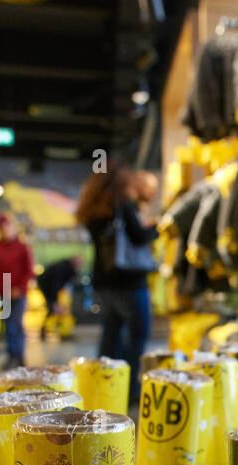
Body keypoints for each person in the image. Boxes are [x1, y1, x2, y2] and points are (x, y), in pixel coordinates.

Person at [74, 160, 158, 403]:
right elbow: (140, 236)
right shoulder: (123, 206)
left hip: (103, 281)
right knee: (138, 334)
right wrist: (157, 227)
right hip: (129, 281)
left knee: (110, 336)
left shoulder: (93, 210)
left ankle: (102, 387)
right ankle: (130, 390)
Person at [0, 213, 33, 369]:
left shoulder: (22, 247)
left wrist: (20, 288)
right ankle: (11, 355)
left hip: (19, 293)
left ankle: (19, 356)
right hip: (3, 293)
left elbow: (28, 271)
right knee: (8, 325)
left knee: (17, 324)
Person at [36, 255, 84, 339]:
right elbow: (54, 285)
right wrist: (55, 301)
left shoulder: (68, 268)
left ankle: (60, 331)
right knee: (52, 307)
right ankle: (49, 330)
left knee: (57, 308)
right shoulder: (61, 268)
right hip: (46, 287)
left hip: (50, 287)